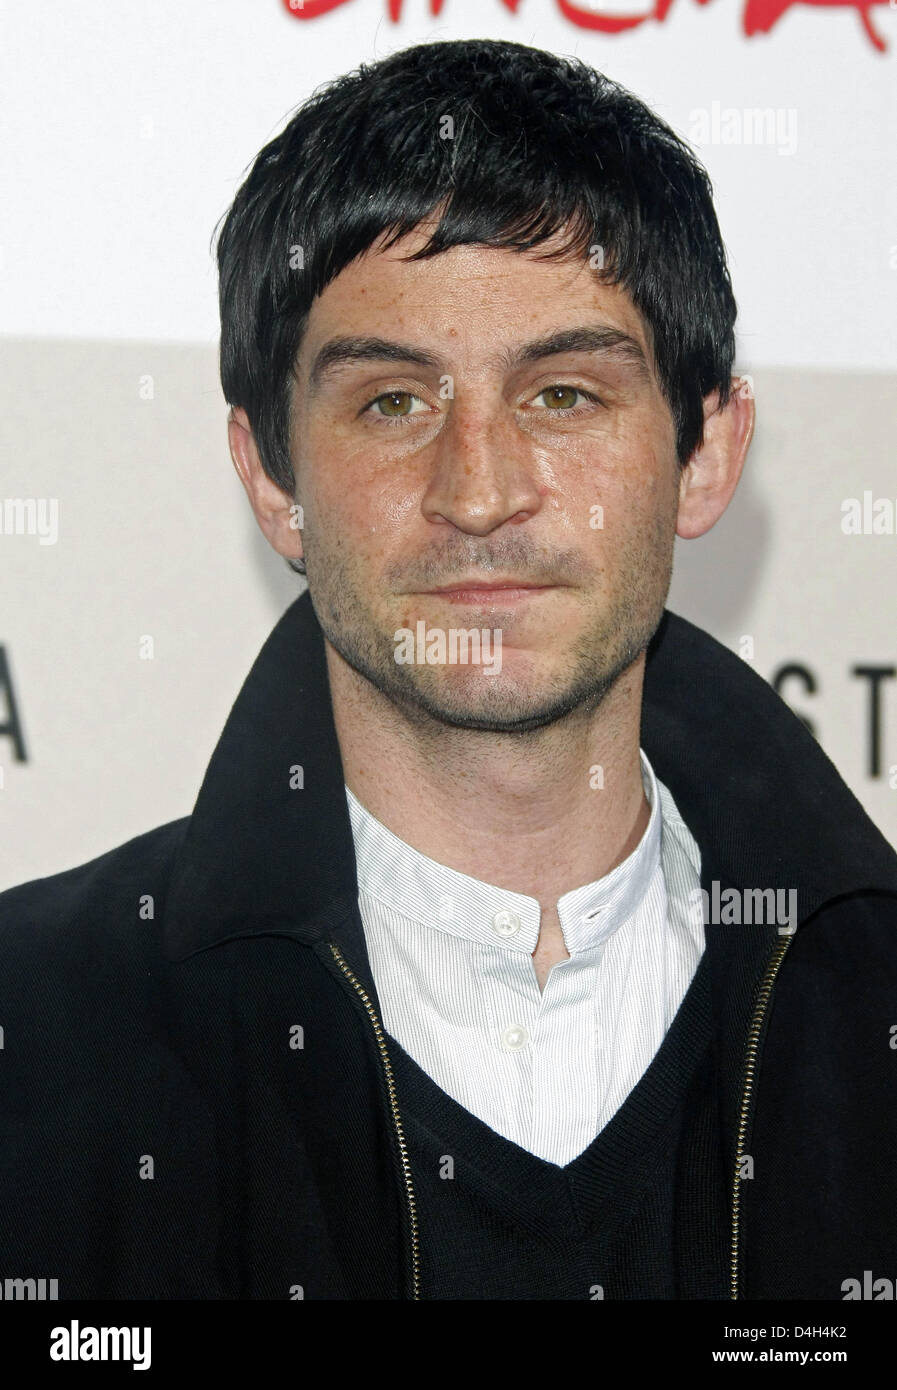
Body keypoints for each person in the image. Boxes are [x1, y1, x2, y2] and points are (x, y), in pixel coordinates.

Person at [1, 37, 895, 1302]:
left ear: (704, 456)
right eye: (392, 403)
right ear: (271, 479)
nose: (478, 492)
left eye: (564, 395)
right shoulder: (36, 1031)